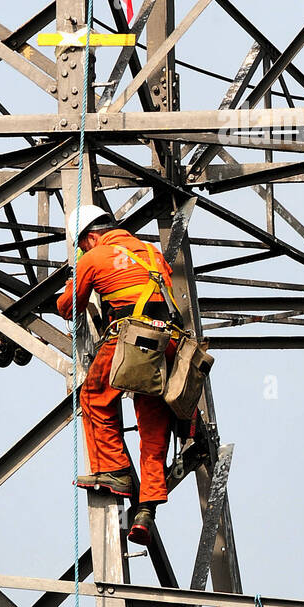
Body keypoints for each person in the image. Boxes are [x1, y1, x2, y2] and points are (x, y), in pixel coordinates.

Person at [57, 204, 181, 546]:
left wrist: (75, 279)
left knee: (94, 397)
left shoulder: (93, 258)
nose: (83, 250)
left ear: (92, 237)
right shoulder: (152, 253)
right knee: (152, 429)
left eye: (83, 245)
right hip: (167, 343)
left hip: (130, 339)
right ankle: (145, 512)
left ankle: (114, 471)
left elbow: (69, 307)